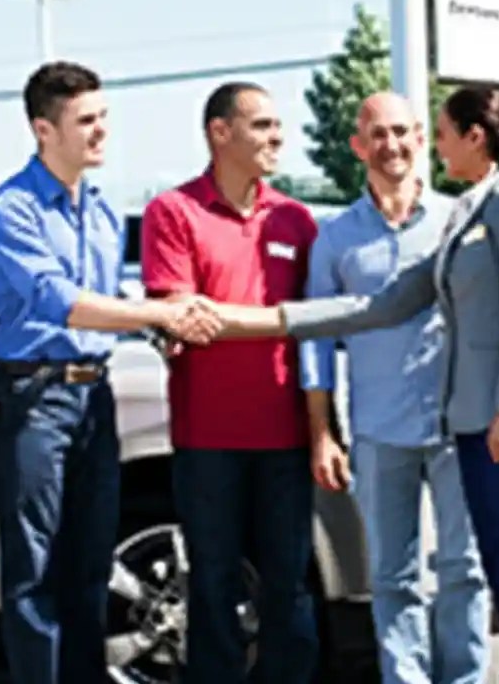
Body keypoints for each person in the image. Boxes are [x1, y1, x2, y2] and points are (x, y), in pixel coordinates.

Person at [202, 86, 499, 684]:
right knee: (468, 578)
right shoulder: (458, 214)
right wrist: (253, 322)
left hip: (491, 424)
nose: (417, 145)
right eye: (384, 133)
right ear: (360, 145)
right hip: (412, 424)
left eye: (426, 132)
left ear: (472, 137)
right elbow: (374, 309)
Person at [0, 60, 217, 684]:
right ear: (43, 129)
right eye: (86, 120)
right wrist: (160, 312)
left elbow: (116, 302)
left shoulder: (106, 211)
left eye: (104, 116)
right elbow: (64, 301)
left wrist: (167, 326)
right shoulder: (11, 210)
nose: (101, 131)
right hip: (35, 400)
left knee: (89, 565)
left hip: (94, 398)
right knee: (36, 569)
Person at [299, 91, 489, 684]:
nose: (392, 145)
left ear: (421, 139)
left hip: (457, 424)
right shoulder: (336, 239)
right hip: (379, 430)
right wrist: (322, 434)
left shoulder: (459, 220)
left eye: (403, 131)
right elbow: (315, 340)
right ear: (359, 146)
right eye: (378, 134)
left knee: (464, 568)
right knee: (391, 574)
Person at [139, 81, 320, 684]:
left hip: (287, 437)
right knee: (212, 586)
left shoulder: (296, 220)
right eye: (262, 125)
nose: (277, 137)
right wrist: (279, 322)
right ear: (221, 133)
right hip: (208, 439)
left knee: (288, 588)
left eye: (276, 124)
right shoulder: (174, 213)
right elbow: (185, 319)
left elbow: (317, 329)